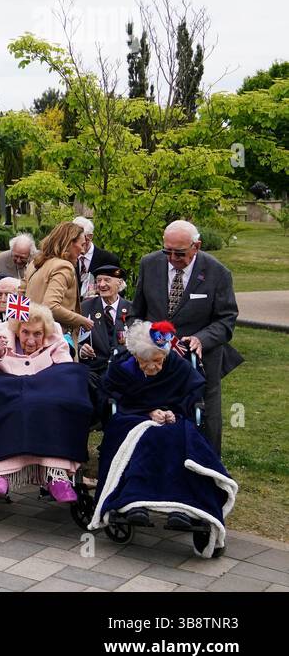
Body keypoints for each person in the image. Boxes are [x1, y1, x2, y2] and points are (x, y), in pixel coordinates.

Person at [91, 321, 237, 557]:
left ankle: (182, 507)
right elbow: (110, 397)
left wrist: (172, 412)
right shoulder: (122, 366)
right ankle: (133, 500)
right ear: (136, 356)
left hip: (172, 417)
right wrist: (148, 411)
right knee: (142, 436)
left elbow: (191, 396)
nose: (153, 367)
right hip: (131, 416)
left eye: (158, 361)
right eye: (145, 362)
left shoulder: (176, 365)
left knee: (179, 438)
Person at [131, 220, 242, 451]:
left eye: (179, 253)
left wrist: (201, 338)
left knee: (205, 417)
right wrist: (145, 337)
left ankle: (208, 469)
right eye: (167, 251)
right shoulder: (149, 264)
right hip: (155, 359)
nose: (172, 258)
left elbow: (226, 319)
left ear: (196, 246)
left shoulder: (217, 273)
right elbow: (136, 314)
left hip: (200, 361)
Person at [0, 302, 92, 502]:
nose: (31, 340)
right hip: (7, 396)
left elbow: (66, 372)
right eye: (25, 333)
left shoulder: (56, 338)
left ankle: (56, 475)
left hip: (44, 398)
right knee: (9, 409)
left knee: (51, 407)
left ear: (46, 332)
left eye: (37, 334)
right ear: (16, 331)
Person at [25, 221, 94, 337]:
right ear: (69, 243)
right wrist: (81, 320)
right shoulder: (63, 267)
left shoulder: (34, 264)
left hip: (29, 336)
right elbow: (51, 306)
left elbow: (17, 301)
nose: (82, 251)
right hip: (54, 340)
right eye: (82, 245)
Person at [79, 265, 133, 397]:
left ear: (119, 283)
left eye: (107, 280)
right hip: (93, 372)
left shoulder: (132, 309)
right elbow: (71, 336)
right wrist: (80, 349)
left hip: (124, 372)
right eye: (98, 280)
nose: (102, 285)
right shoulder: (85, 307)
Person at [72, 216, 121, 299]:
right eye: (73, 239)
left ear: (90, 237)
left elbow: (120, 288)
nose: (75, 242)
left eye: (78, 237)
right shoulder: (67, 258)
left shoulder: (109, 259)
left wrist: (99, 290)